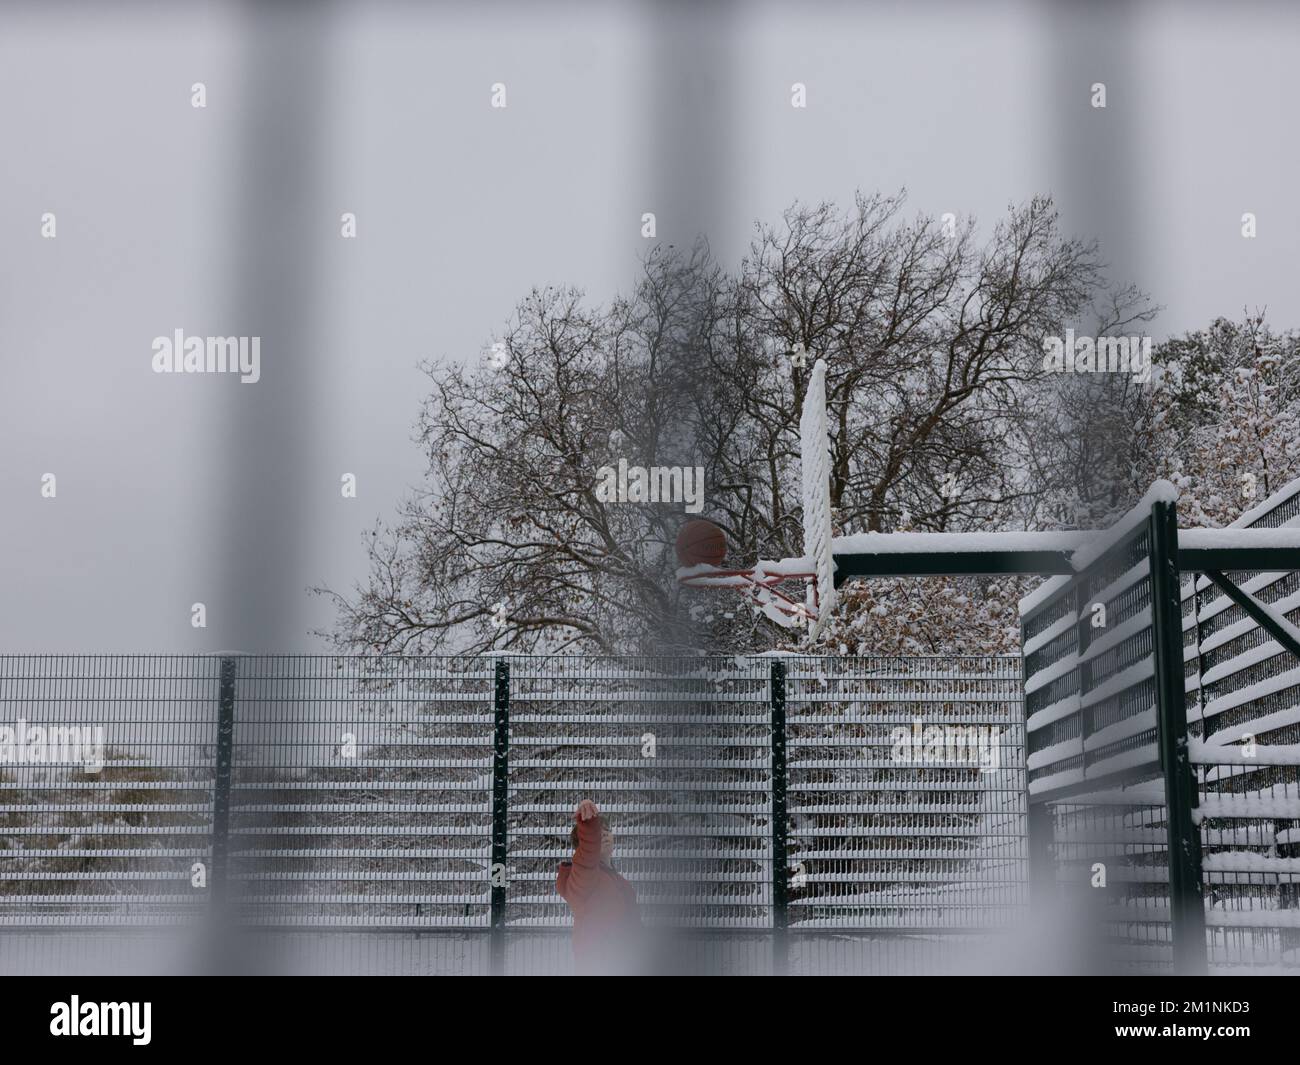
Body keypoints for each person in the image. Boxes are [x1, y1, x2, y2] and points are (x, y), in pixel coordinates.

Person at [556, 798, 641, 974]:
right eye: (597, 833)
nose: (603, 834)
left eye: (607, 830)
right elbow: (587, 858)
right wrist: (589, 827)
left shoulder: (621, 883)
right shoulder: (583, 878)